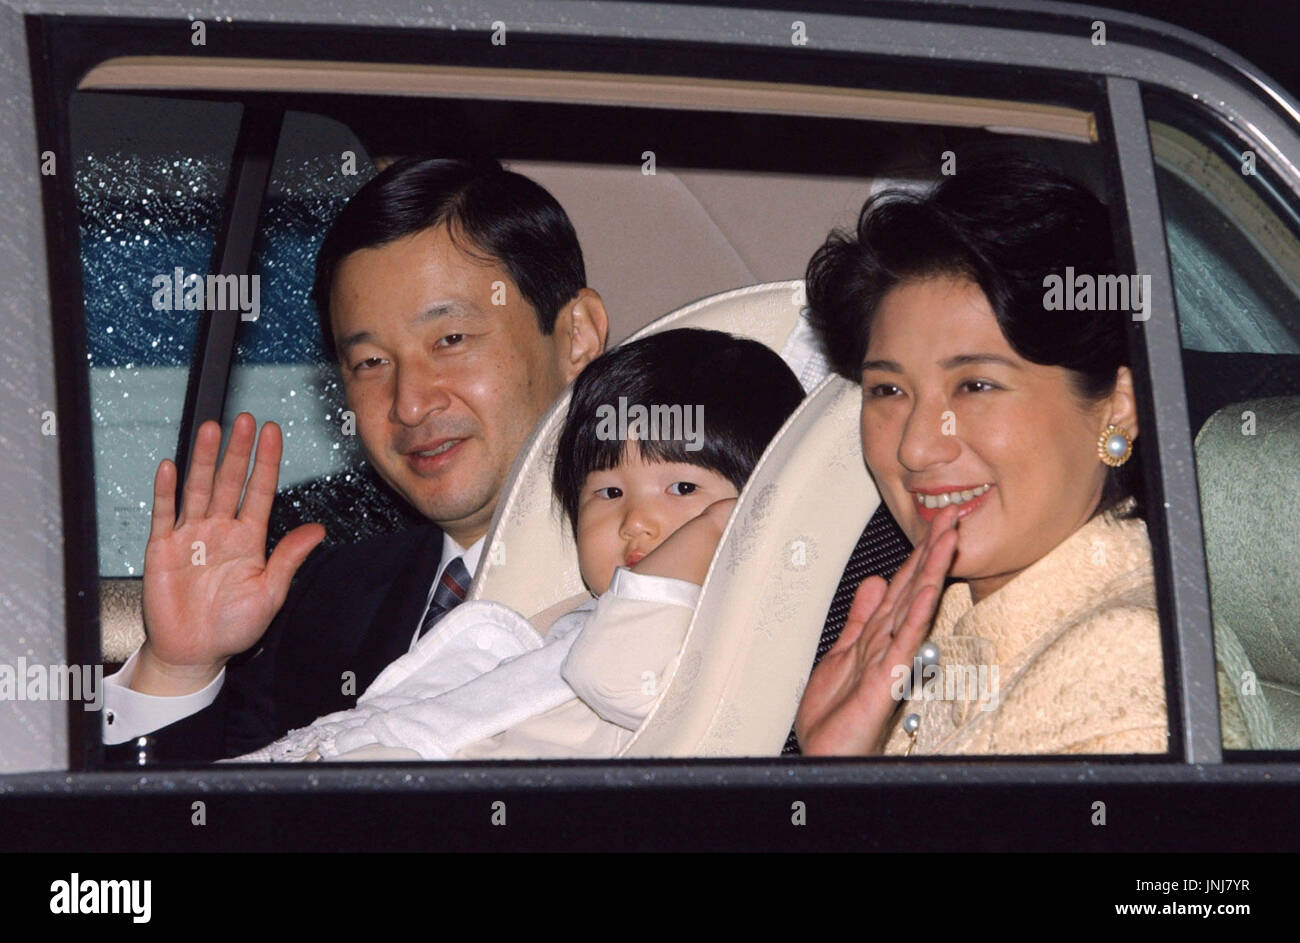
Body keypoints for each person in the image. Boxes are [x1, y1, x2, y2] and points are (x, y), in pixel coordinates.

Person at [102, 156, 610, 763]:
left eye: (450, 340)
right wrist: (180, 670)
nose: (410, 404)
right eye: (371, 363)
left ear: (577, 335)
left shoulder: (656, 578)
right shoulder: (325, 599)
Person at [792, 157, 1256, 755]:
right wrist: (832, 765)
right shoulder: (944, 619)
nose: (915, 446)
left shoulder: (1130, 669)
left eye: (975, 385)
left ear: (1119, 403)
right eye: (889, 390)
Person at [228, 329, 806, 761]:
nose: (636, 521)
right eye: (606, 491)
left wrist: (716, 531)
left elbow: (616, 677)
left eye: (682, 487)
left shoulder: (721, 637)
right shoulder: (563, 622)